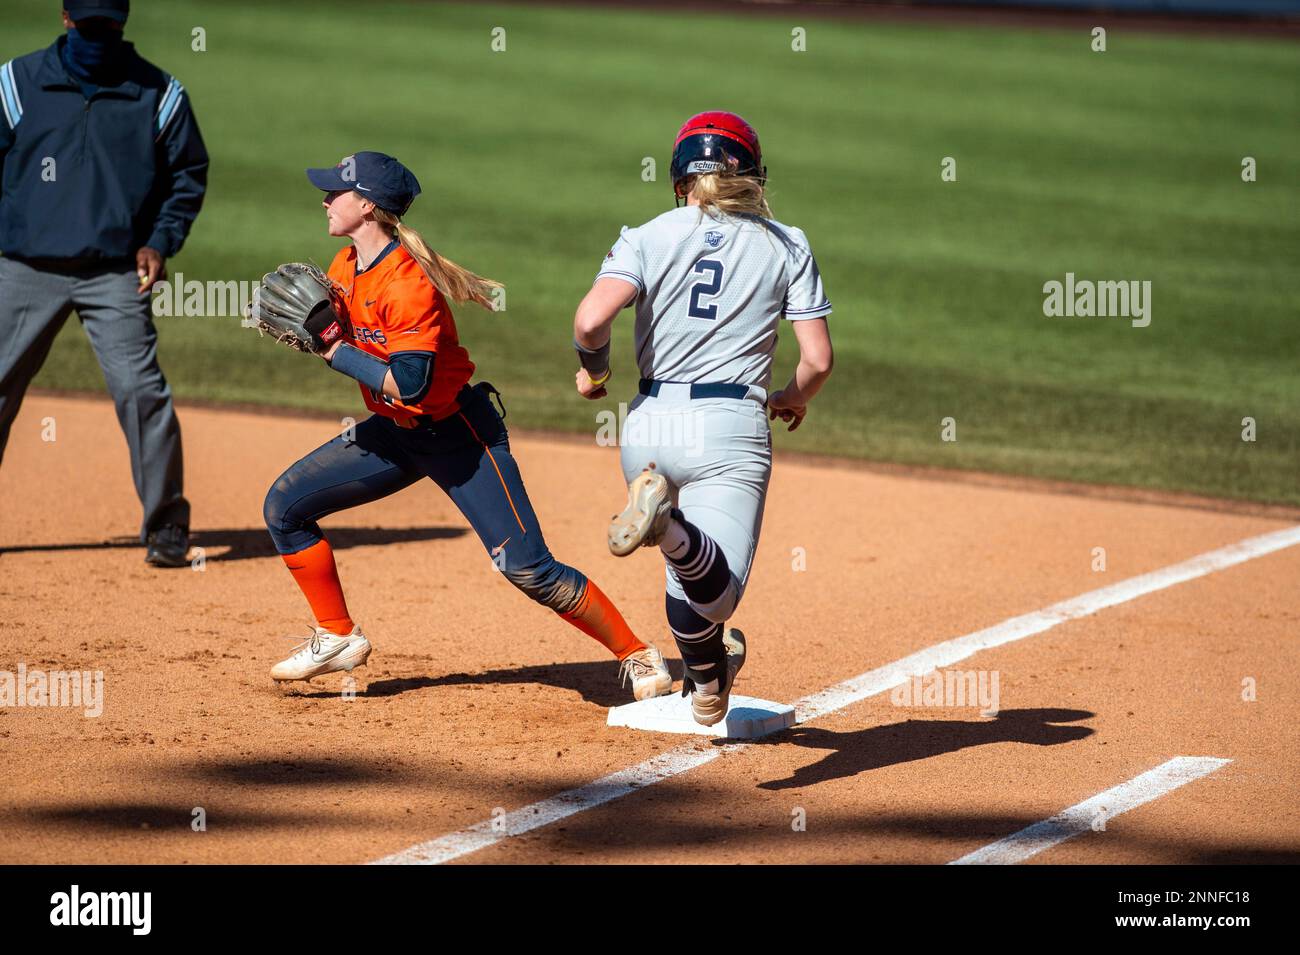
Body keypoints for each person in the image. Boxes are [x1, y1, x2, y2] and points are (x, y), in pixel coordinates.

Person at [262, 150, 672, 702]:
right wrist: (326, 333)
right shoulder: (342, 268)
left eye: (336, 191)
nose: (325, 200)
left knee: (530, 570)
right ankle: (336, 635)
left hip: (460, 439)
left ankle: (637, 654)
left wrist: (335, 351)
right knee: (285, 507)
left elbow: (409, 384)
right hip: (396, 435)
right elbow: (362, 356)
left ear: (368, 206)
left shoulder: (408, 285)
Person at [572, 111, 834, 726]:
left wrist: (598, 373)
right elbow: (817, 361)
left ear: (678, 178)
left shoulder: (646, 234)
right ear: (753, 175)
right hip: (729, 426)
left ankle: (710, 676)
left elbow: (589, 322)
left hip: (649, 427)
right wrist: (792, 397)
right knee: (717, 596)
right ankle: (668, 529)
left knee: (686, 589)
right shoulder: (787, 242)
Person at [0, 0, 208, 566]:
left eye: (106, 26)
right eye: (89, 25)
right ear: (66, 19)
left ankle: (166, 524)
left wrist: (160, 242)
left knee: (141, 393)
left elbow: (187, 175)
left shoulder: (158, 94)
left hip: (115, 270)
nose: (98, 35)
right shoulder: (16, 82)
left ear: (122, 23)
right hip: (24, 267)